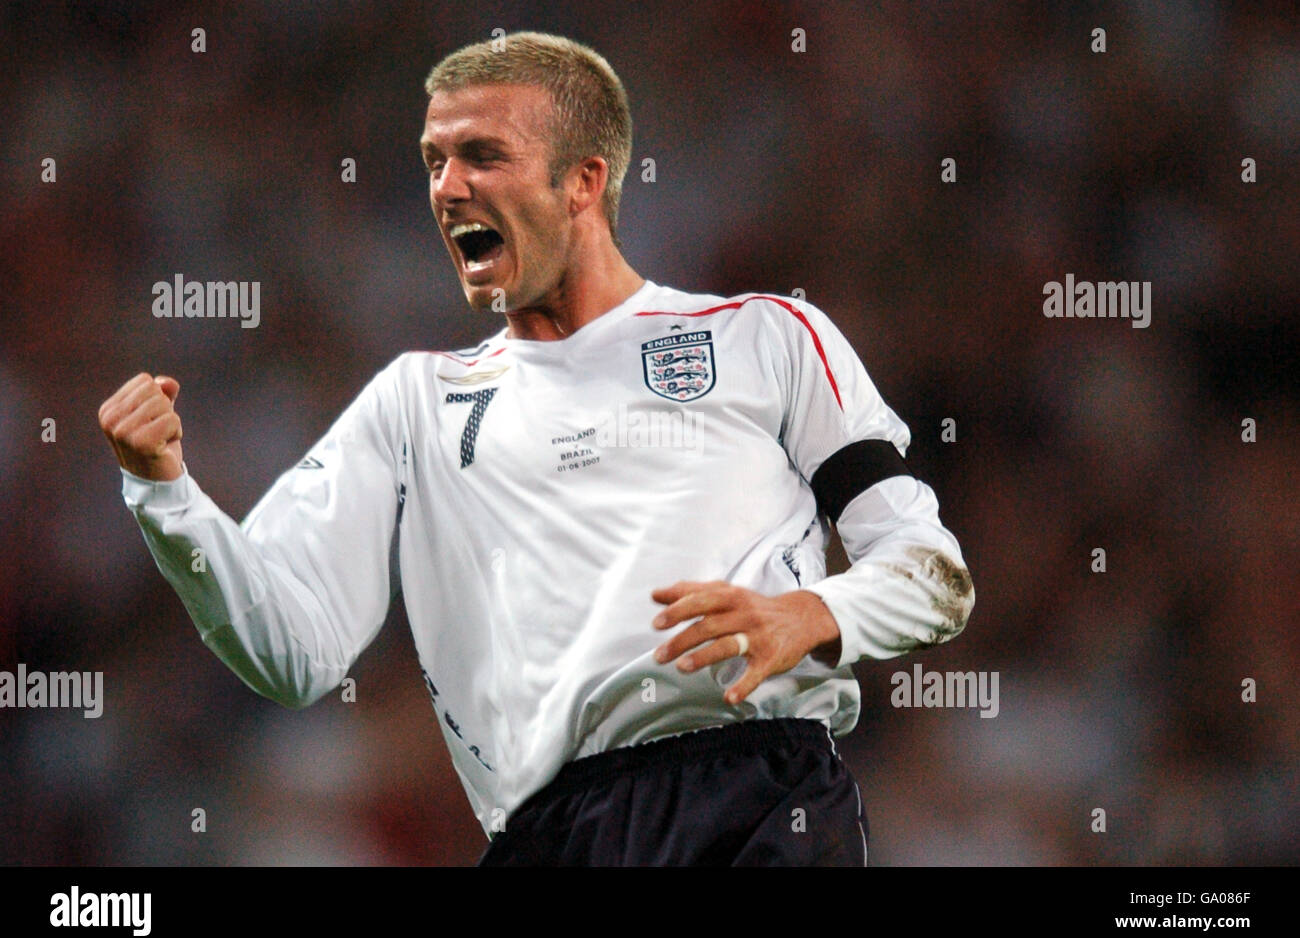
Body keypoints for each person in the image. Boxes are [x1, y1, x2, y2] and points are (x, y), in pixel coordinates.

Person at [97, 31, 974, 866]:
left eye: (482, 155)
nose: (447, 186)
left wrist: (812, 616)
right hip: (550, 836)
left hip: (756, 798)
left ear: (584, 180)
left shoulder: (768, 339)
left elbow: (931, 570)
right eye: (433, 160)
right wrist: (166, 496)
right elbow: (293, 652)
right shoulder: (415, 403)